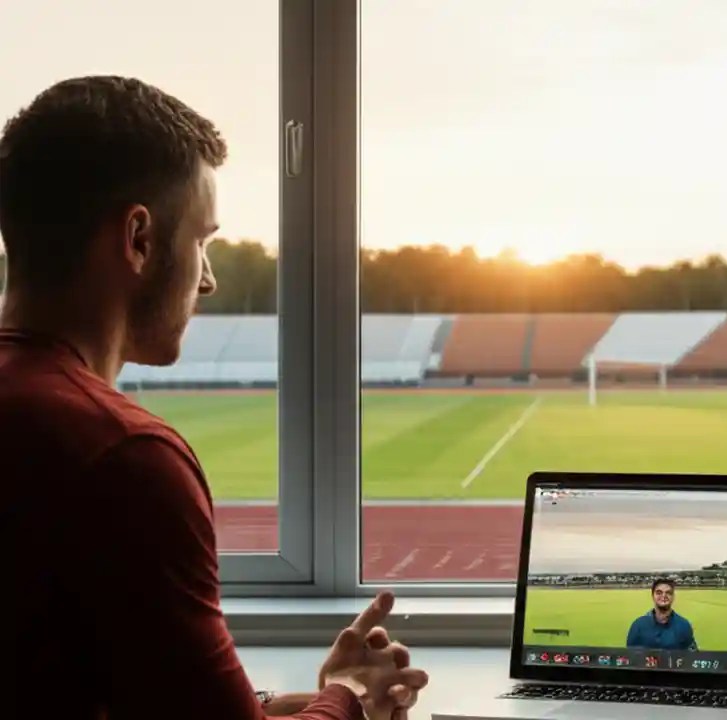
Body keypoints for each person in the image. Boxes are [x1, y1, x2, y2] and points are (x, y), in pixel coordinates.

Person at [0, 76, 428, 719]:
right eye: (202, 240)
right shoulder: (123, 456)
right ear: (139, 238)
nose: (208, 278)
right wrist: (351, 696)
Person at [625, 578, 698, 650]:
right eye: (659, 593)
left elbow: (692, 656)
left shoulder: (684, 625)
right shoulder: (638, 625)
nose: (663, 596)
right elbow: (630, 655)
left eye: (668, 593)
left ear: (673, 597)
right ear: (652, 596)